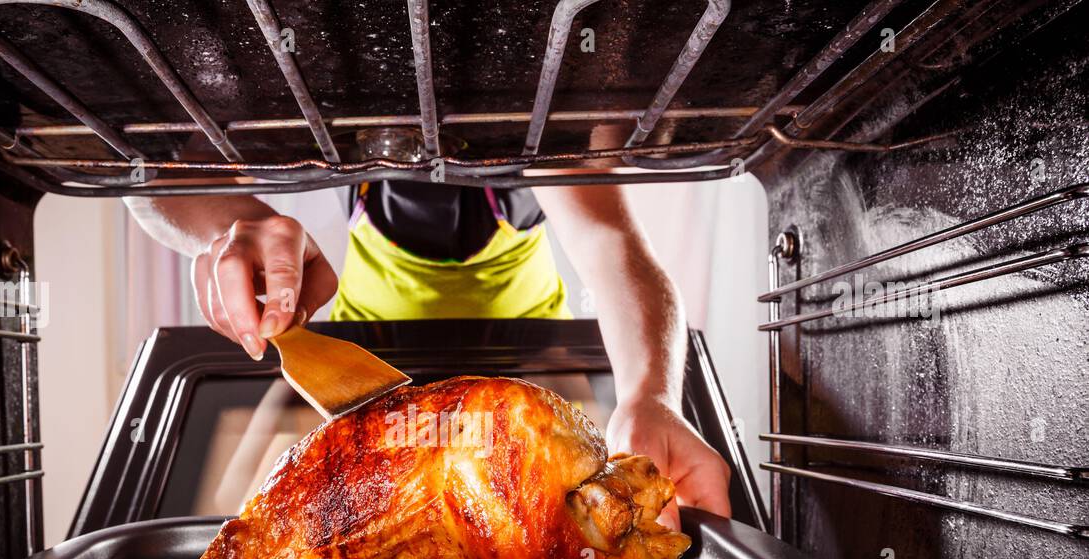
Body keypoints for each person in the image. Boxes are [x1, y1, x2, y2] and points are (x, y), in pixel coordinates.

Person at [126, 176, 731, 527]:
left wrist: (649, 393)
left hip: (526, 349)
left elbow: (611, 240)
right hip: (369, 359)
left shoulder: (545, 76)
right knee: (250, 499)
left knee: (566, 515)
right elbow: (144, 175)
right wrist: (229, 221)